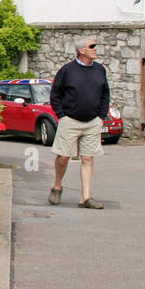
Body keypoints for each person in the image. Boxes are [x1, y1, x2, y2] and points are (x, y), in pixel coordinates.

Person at [48, 37, 111, 209]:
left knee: (88, 158)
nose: (96, 49)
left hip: (93, 121)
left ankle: (86, 198)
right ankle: (57, 186)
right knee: (63, 157)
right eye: (92, 46)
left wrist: (101, 117)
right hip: (70, 120)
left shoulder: (100, 70)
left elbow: (105, 93)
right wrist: (62, 116)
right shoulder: (67, 70)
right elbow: (55, 95)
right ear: (81, 50)